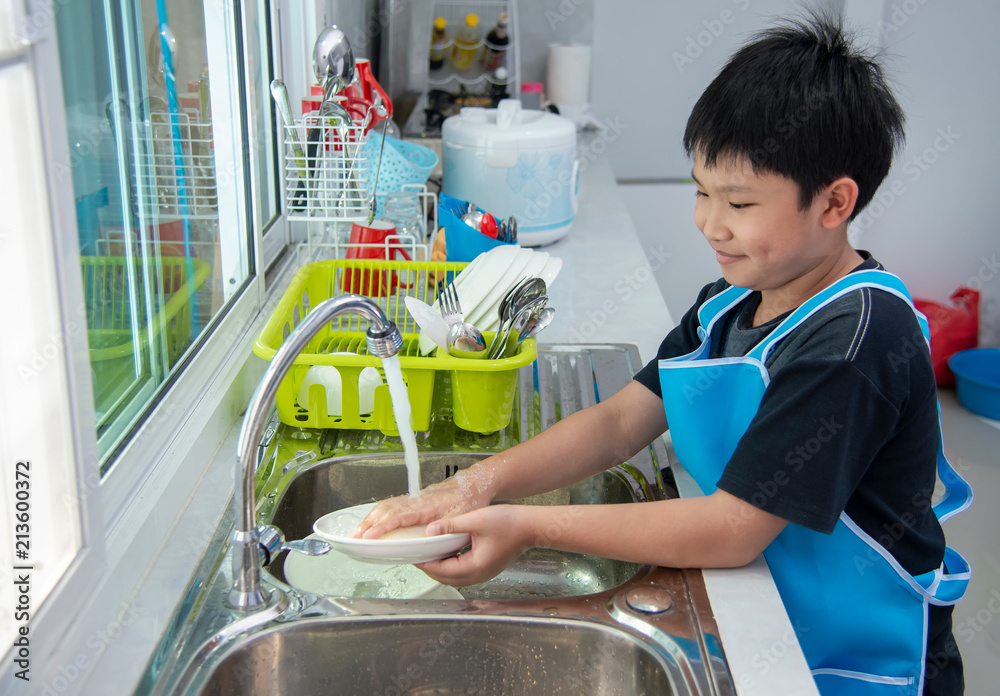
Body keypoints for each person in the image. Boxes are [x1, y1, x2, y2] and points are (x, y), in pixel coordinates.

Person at [355, 13, 971, 695]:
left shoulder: (853, 343)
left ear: (834, 204)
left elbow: (733, 528)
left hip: (858, 662)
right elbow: (621, 422)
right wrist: (478, 482)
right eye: (701, 191)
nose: (710, 223)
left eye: (739, 203)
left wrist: (527, 526)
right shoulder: (731, 303)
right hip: (769, 612)